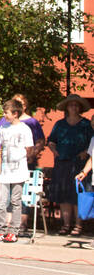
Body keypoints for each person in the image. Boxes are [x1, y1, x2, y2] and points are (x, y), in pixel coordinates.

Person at [47, 94, 94, 236]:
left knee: (77, 194)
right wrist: (54, 151)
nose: (73, 107)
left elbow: (92, 142)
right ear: (67, 107)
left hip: (80, 165)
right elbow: (51, 140)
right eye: (71, 105)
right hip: (62, 163)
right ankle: (66, 224)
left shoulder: (86, 124)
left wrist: (85, 152)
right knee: (64, 194)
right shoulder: (60, 124)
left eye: (76, 105)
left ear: (80, 108)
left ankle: (78, 225)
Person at [0, 99, 34, 243]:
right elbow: (1, 149)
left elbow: (30, 150)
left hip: (18, 171)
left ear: (15, 113)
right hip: (5, 171)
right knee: (0, 201)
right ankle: (1, 230)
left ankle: (14, 231)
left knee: (16, 201)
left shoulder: (25, 129)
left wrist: (22, 163)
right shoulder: (4, 128)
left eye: (6, 113)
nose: (4, 115)